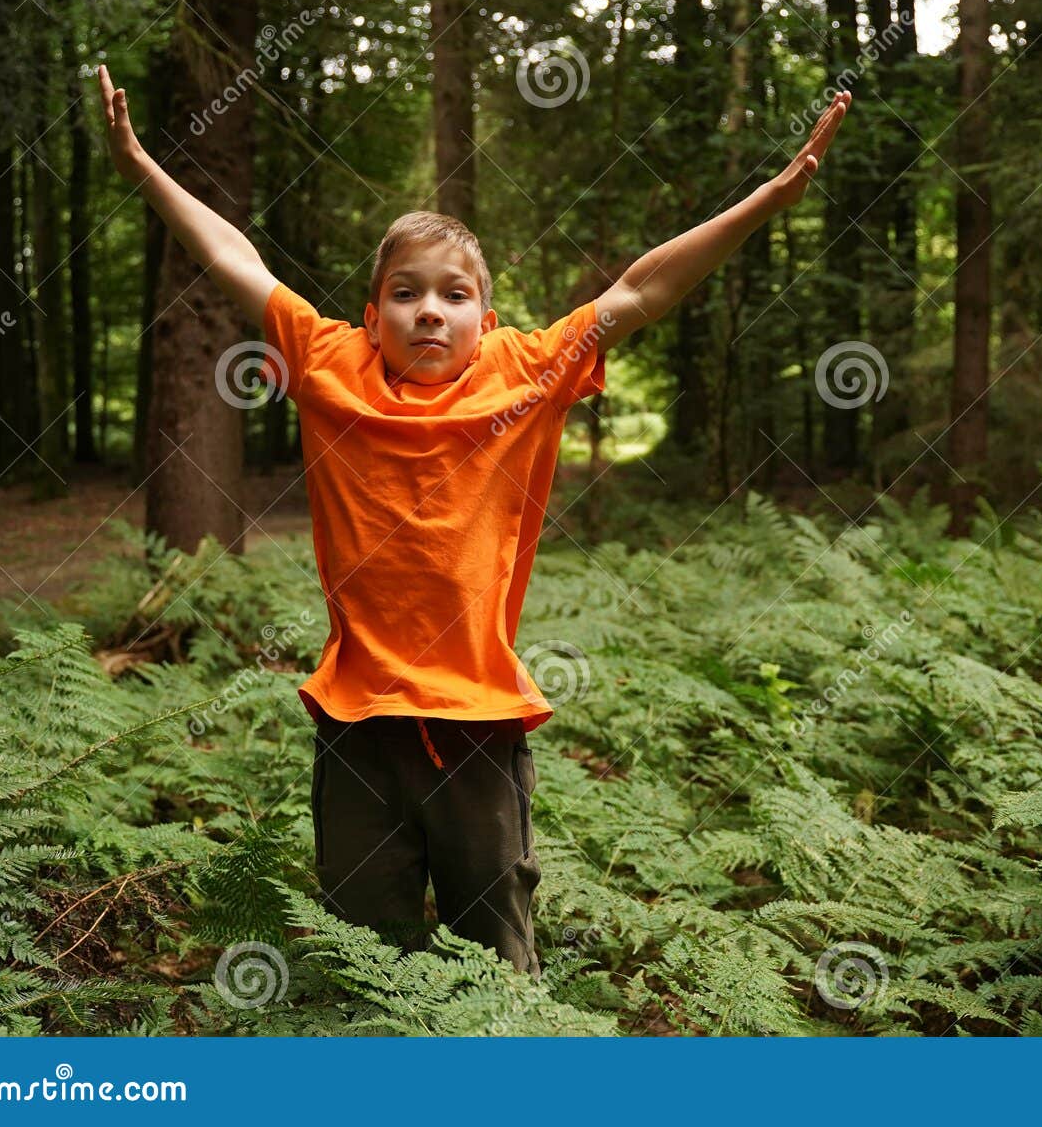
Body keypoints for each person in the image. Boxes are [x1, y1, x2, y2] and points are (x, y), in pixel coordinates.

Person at [96, 61, 850, 977]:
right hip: (357, 719)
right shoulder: (328, 361)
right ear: (372, 317)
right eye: (407, 293)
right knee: (366, 954)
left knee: (493, 961)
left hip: (477, 723)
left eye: (454, 295)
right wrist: (140, 166)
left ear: (484, 320)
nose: (429, 311)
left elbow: (643, 291)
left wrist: (767, 200)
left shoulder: (523, 371)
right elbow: (231, 259)